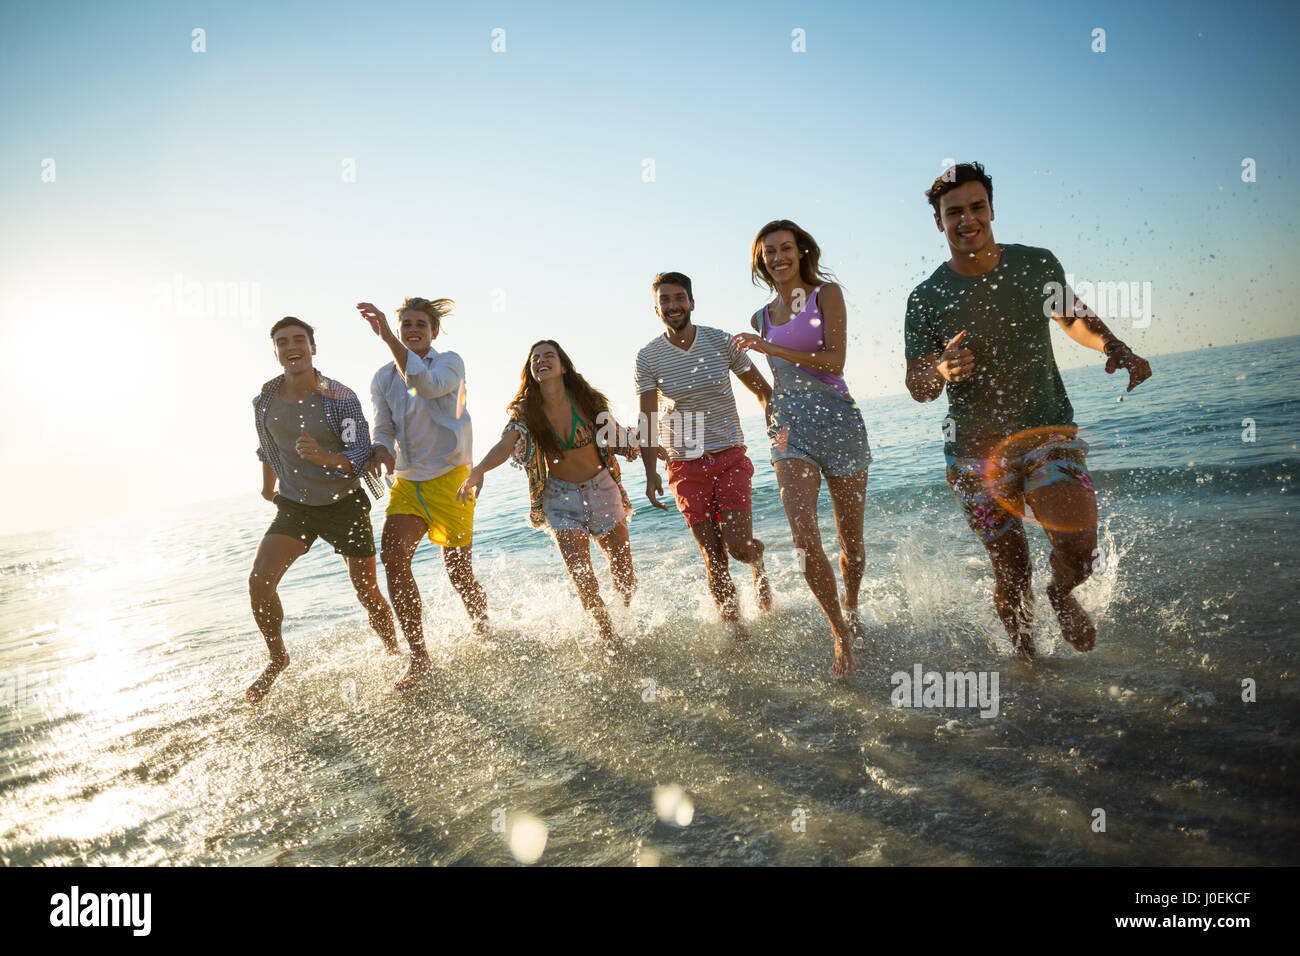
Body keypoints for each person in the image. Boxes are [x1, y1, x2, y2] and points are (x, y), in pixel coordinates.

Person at [903, 162, 1153, 658]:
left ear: (991, 209)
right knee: (1011, 570)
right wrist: (942, 369)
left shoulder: (1037, 264)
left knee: (1079, 548)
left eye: (977, 207)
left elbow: (1071, 317)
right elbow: (917, 384)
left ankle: (1061, 594)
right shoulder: (925, 297)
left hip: (1046, 433)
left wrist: (1113, 346)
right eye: (954, 212)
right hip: (973, 453)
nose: (967, 219)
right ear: (939, 222)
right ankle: (1029, 666)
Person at [731, 221, 873, 679]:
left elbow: (835, 361)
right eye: (769, 251)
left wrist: (770, 347)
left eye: (786, 248)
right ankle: (839, 632)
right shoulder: (761, 317)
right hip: (790, 432)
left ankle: (851, 603)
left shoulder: (824, 295)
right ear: (762, 260)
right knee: (802, 535)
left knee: (851, 544)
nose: (778, 257)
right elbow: (769, 378)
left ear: (801, 251)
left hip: (840, 423)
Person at [248, 317, 397, 704]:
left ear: (313, 348)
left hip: (343, 505)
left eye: (299, 340)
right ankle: (278, 658)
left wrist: (324, 457)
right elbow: (268, 448)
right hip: (295, 506)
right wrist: (268, 489)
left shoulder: (339, 396)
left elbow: (361, 451)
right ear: (276, 351)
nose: (291, 346)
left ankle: (393, 651)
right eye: (283, 341)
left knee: (366, 591)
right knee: (259, 581)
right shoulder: (264, 399)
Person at [457, 340, 639, 650]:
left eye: (548, 355)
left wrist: (647, 444)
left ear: (563, 365)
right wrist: (480, 470)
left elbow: (618, 435)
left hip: (602, 490)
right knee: (583, 576)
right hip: (560, 500)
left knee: (624, 573)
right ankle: (610, 638)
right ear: (531, 370)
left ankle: (627, 617)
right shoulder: (527, 412)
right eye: (535, 358)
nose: (541, 361)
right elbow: (505, 444)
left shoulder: (587, 400)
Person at [358, 297, 488, 690]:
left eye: (420, 324)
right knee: (394, 557)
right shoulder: (382, 378)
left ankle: (482, 627)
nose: (412, 329)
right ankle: (420, 658)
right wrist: (380, 450)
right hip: (409, 482)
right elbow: (383, 428)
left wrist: (387, 341)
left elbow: (424, 386)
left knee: (459, 573)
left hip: (453, 478)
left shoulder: (449, 363)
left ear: (434, 331)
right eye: (405, 325)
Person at [636, 271, 773, 639]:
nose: (673, 305)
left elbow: (764, 393)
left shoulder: (720, 341)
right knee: (714, 558)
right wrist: (651, 473)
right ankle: (737, 633)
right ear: (656, 308)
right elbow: (647, 419)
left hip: (729, 455)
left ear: (692, 302)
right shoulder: (648, 357)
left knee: (739, 546)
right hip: (684, 464)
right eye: (665, 300)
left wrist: (780, 436)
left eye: (679, 298)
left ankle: (757, 562)